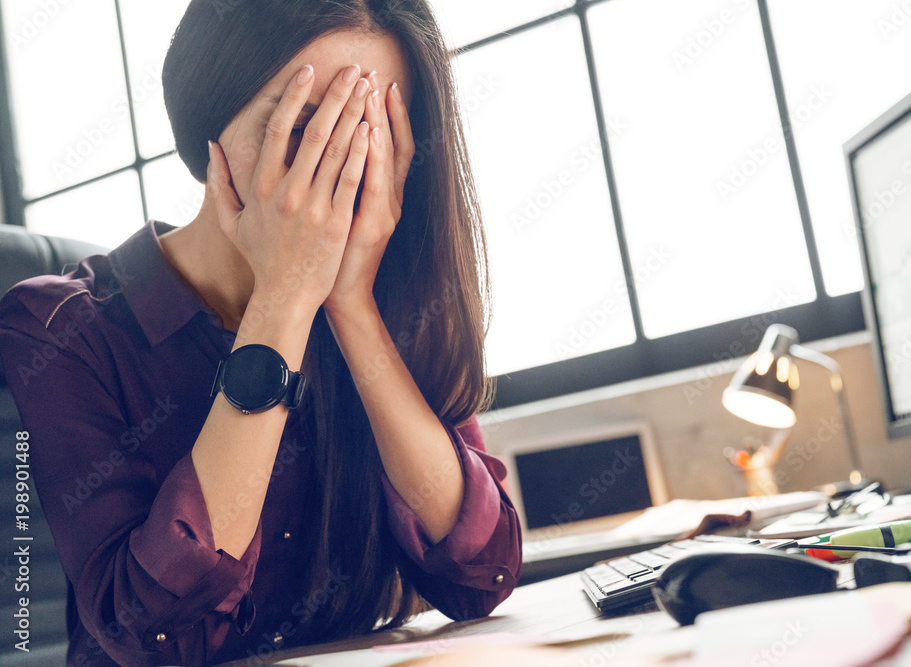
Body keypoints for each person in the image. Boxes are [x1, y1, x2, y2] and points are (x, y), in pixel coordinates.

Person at [0, 1, 521, 665]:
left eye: (368, 134)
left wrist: (351, 307)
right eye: (305, 125)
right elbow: (153, 636)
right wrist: (282, 301)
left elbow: (481, 574)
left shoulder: (392, 299)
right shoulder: (58, 328)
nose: (334, 168)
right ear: (209, 122)